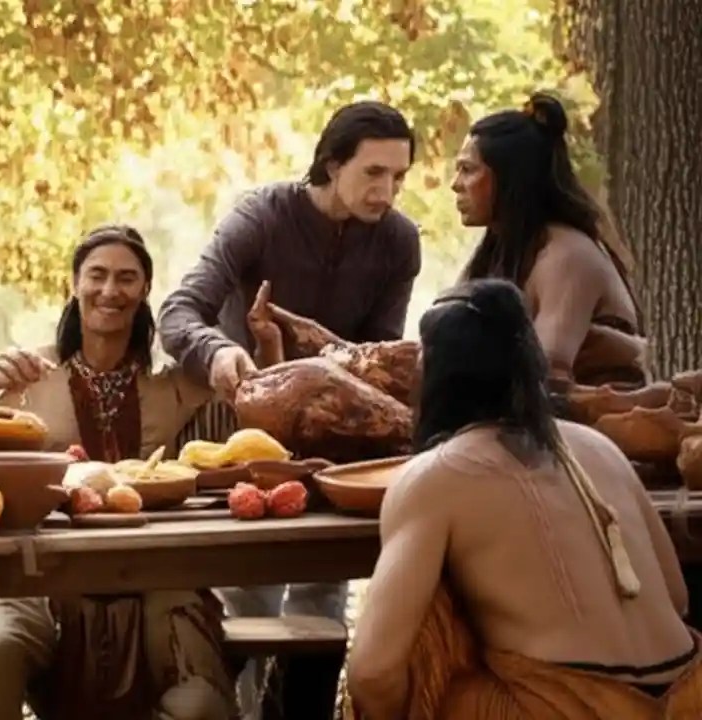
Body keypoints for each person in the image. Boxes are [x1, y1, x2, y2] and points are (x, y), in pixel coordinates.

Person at [0, 225, 232, 720]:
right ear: (74, 285)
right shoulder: (26, 377)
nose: (109, 290)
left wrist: (260, 352)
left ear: (144, 291)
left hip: (153, 578)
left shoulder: (176, 384)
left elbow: (256, 425)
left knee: (201, 701)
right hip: (30, 577)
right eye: (96, 275)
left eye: (126, 278)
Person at [158, 101, 421, 719]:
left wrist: (322, 354)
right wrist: (221, 354)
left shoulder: (399, 242)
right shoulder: (262, 216)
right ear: (332, 164)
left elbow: (375, 357)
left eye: (399, 177)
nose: (387, 192)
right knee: (247, 600)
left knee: (322, 605)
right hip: (245, 441)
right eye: (374, 173)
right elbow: (178, 312)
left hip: (338, 453)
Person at [347, 279, 702, 720]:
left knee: (427, 636)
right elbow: (677, 597)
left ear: (434, 374)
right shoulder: (600, 447)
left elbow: (372, 673)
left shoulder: (435, 476)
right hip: (689, 696)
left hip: (564, 708)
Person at [452, 92, 646, 388]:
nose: (456, 185)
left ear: (510, 178)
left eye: (468, 170)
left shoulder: (569, 256)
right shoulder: (498, 251)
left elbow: (546, 375)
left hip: (591, 426)